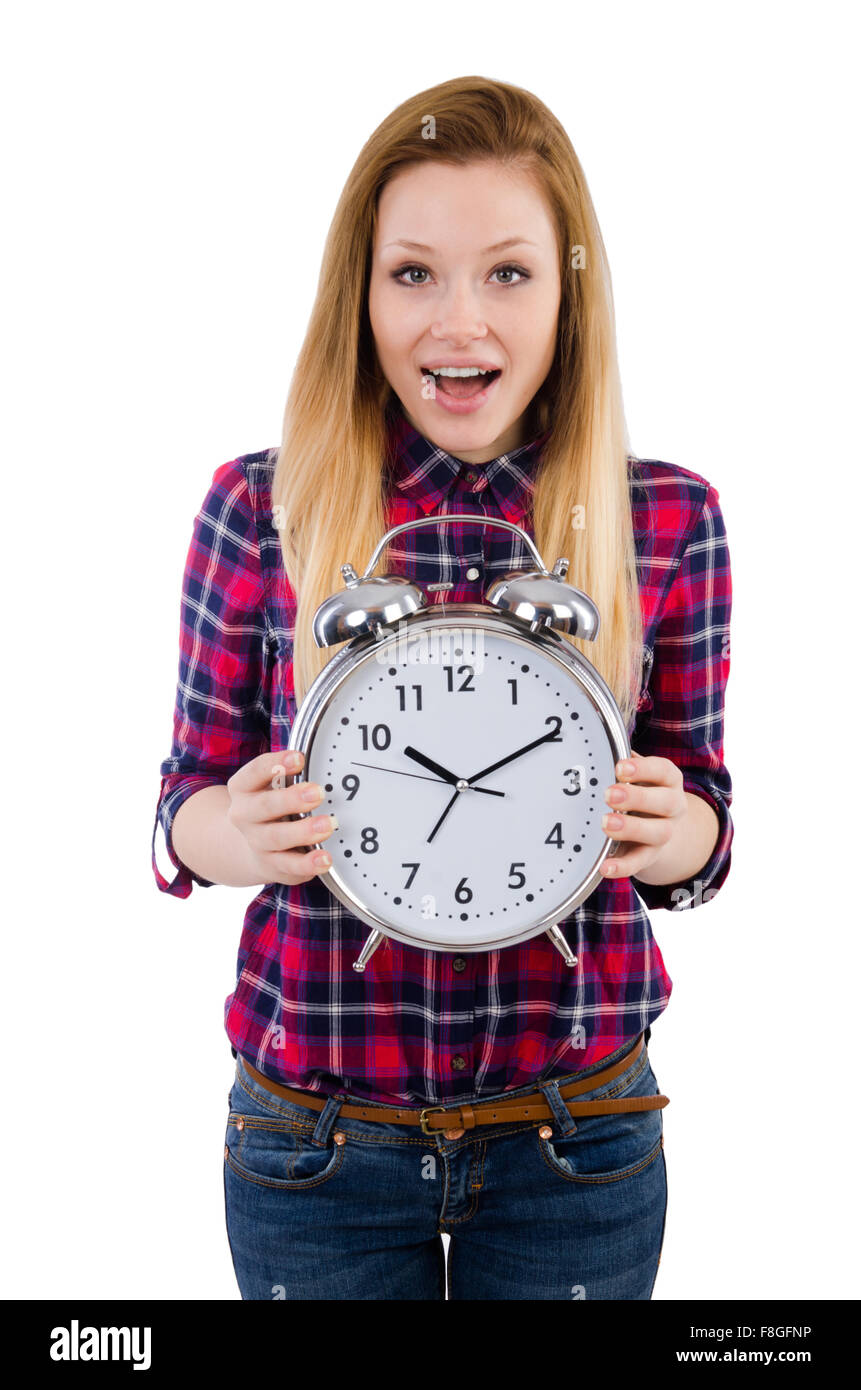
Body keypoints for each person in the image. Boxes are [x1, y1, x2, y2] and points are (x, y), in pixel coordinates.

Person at [151, 75, 733, 1301]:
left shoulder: (666, 522)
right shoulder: (261, 511)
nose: (457, 321)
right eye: (413, 272)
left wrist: (676, 826)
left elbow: (707, 831)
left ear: (570, 292)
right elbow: (180, 817)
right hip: (315, 1137)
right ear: (357, 294)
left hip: (577, 1130)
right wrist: (236, 829)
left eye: (508, 272)